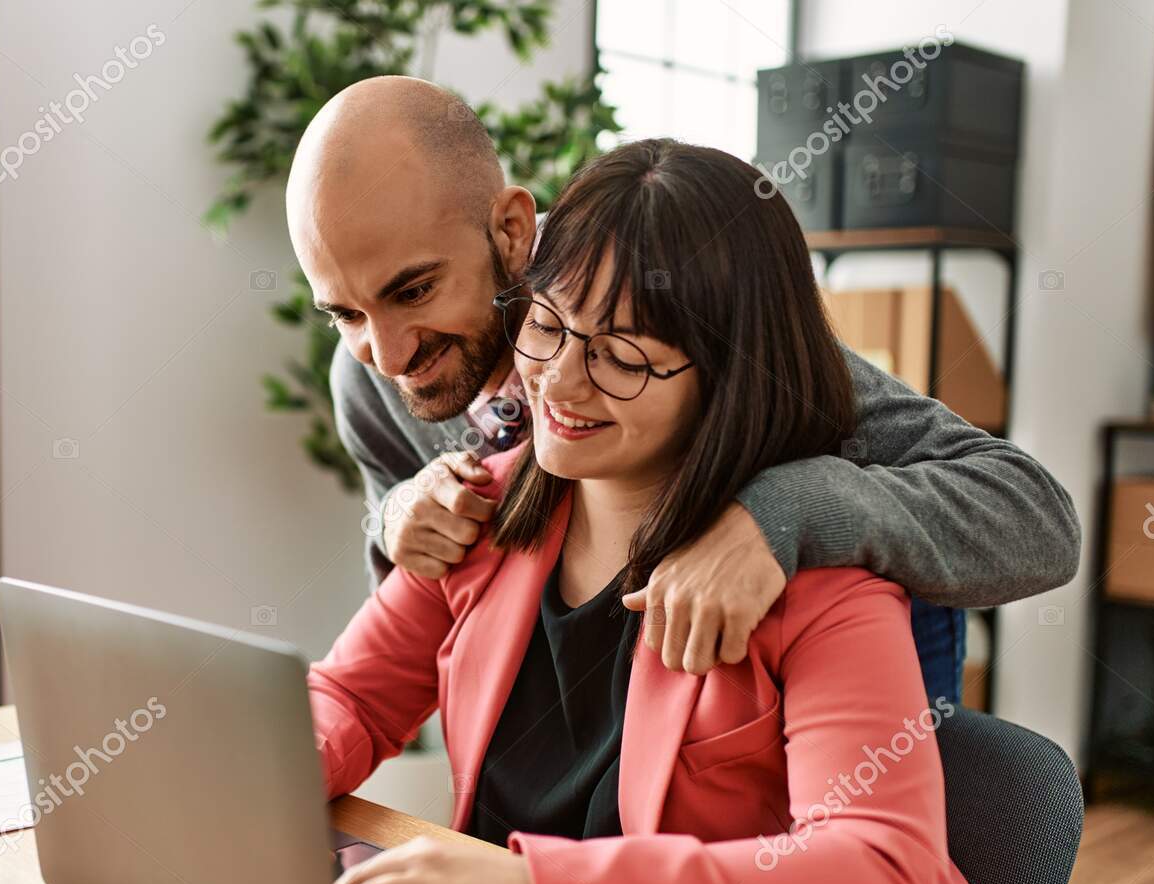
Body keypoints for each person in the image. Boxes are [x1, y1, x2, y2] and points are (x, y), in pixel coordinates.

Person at [303, 137, 1029, 884]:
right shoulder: (483, 507)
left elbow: (881, 876)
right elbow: (352, 696)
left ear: (726, 370)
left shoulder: (815, 573)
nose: (560, 382)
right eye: (545, 325)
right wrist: (255, 770)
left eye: (624, 354)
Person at [285, 77, 1080, 706]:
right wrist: (394, 520)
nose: (386, 354)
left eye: (415, 291)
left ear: (512, 231)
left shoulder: (664, 288)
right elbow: (411, 613)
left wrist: (788, 508)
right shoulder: (369, 381)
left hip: (834, 649)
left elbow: (1035, 517)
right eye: (345, 313)